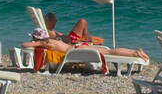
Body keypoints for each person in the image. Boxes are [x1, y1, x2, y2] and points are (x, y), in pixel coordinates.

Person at [20, 12, 150, 62]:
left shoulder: (45, 43)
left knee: (110, 51)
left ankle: (135, 53)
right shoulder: (50, 40)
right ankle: (134, 52)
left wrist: (35, 42)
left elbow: (24, 45)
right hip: (77, 47)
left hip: (77, 49)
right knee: (109, 50)